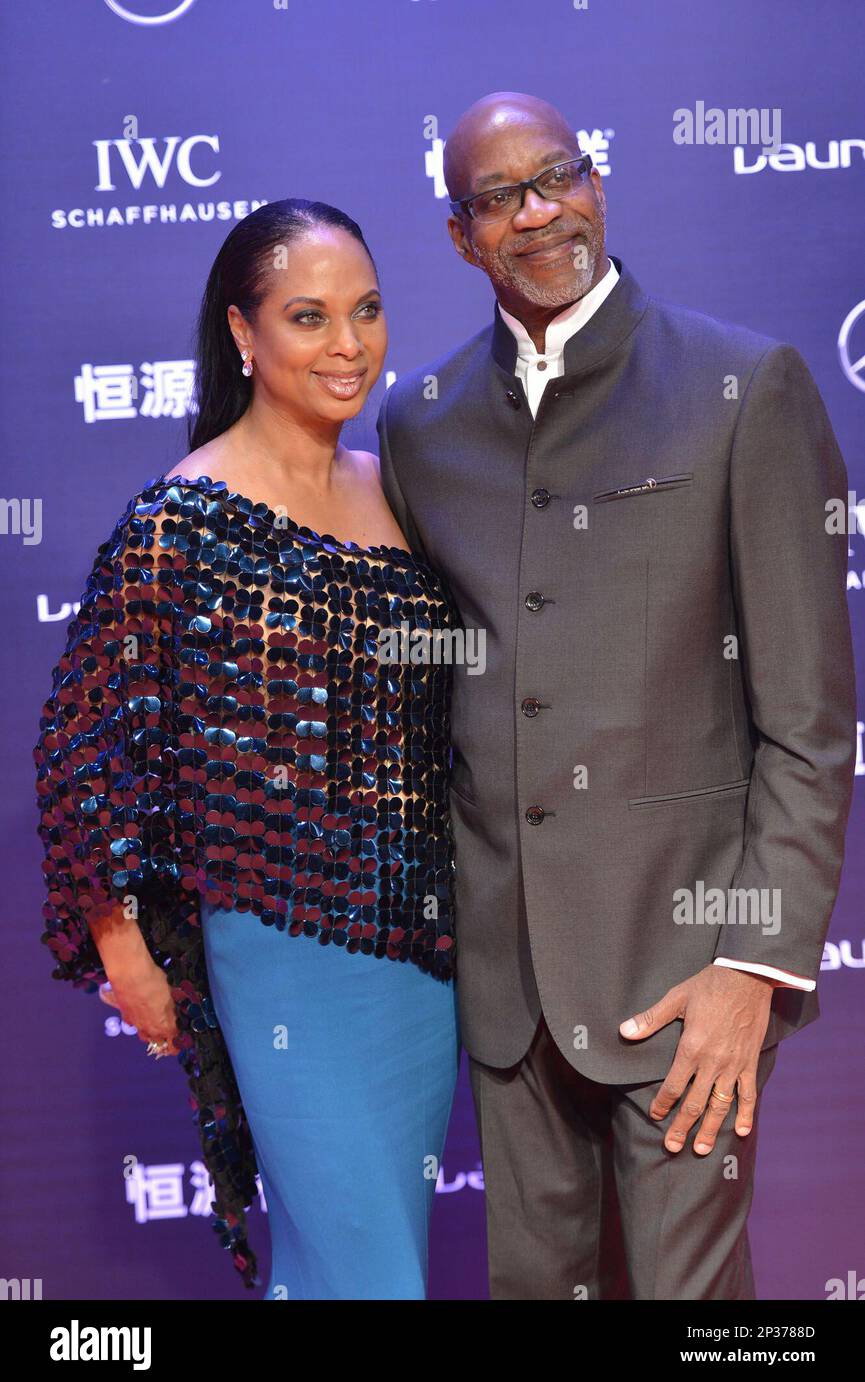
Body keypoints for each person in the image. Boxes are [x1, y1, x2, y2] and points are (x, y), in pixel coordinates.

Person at [376, 93, 856, 1300]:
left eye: (561, 177)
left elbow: (808, 722)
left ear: (598, 184)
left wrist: (752, 966)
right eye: (503, 198)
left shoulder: (745, 386)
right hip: (507, 996)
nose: (542, 213)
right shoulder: (421, 429)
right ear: (460, 234)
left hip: (685, 975)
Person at [33, 198, 460, 1299]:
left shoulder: (401, 491)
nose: (349, 344)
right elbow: (85, 755)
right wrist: (127, 954)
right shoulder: (184, 519)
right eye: (309, 317)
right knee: (367, 1270)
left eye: (365, 312)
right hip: (284, 954)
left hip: (418, 956)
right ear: (243, 333)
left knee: (359, 1260)